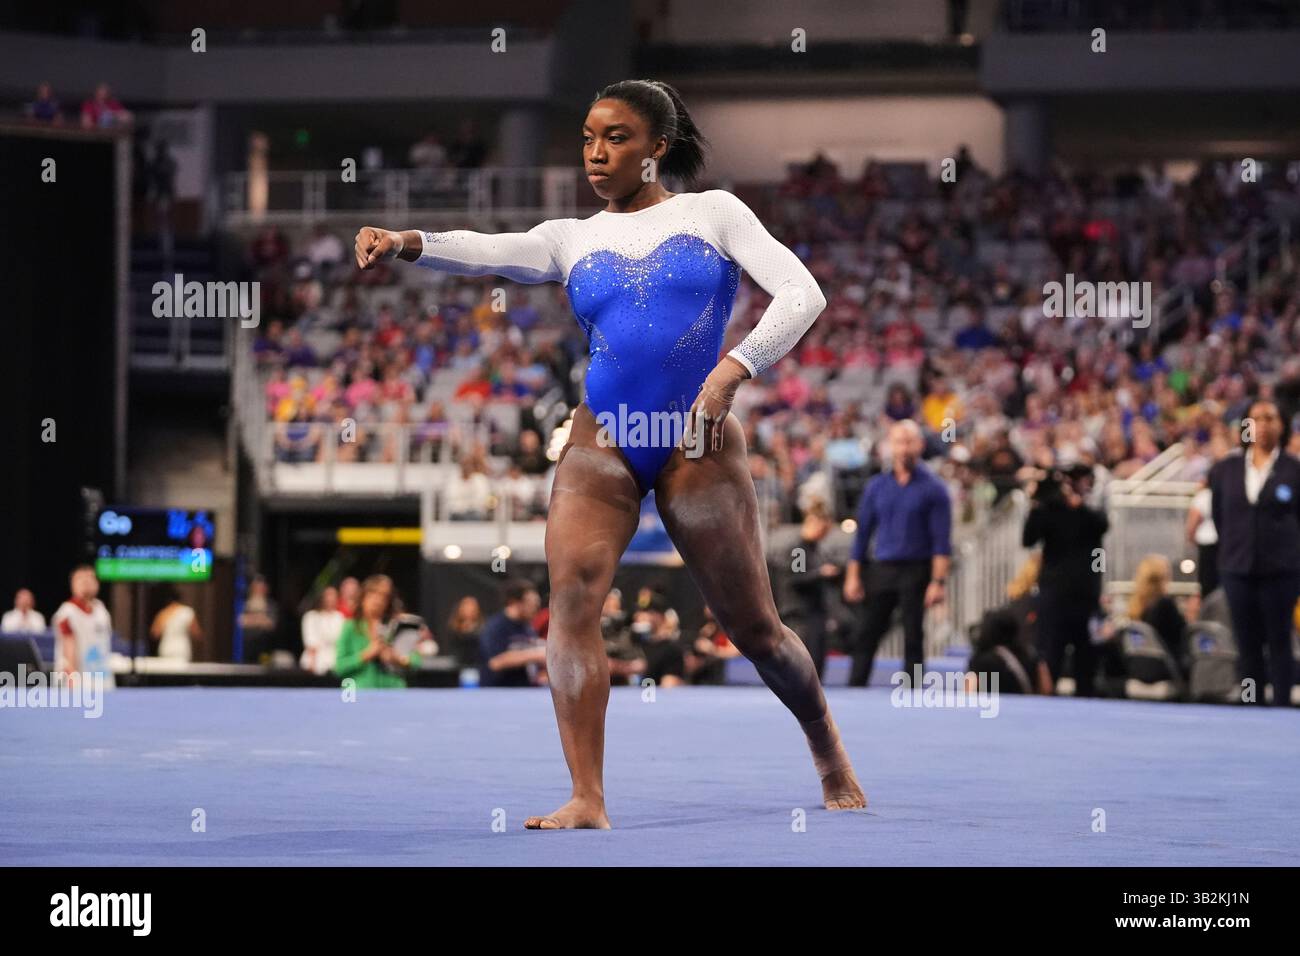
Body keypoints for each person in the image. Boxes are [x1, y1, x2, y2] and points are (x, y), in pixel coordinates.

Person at [355, 78, 863, 827]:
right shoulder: (571, 236)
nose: (596, 153)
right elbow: (491, 250)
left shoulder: (713, 213)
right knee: (571, 602)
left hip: (694, 438)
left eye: (616, 138)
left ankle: (827, 749)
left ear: (658, 147)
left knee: (755, 628)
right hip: (603, 439)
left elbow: (802, 293)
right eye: (589, 138)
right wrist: (408, 242)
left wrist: (734, 369)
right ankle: (586, 795)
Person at [843, 420, 953, 687]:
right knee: (867, 631)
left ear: (920, 445)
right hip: (882, 568)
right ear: (890, 446)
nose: (904, 448)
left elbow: (941, 541)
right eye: (898, 442)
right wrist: (853, 575)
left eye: (909, 442)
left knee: (913, 635)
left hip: (917, 569)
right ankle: (854, 689)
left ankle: (912, 691)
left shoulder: (935, 488)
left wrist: (938, 582)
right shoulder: (876, 486)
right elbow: (862, 534)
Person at [1209, 398, 1300, 706]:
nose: (1263, 425)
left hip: (1281, 571)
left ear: (1282, 425)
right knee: (1246, 644)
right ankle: (1252, 705)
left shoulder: (1293, 469)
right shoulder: (1226, 469)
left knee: (1279, 641)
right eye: (1256, 418)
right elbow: (1220, 516)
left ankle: (1282, 707)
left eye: (1270, 418)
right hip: (1237, 568)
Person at [1021, 464, 1108, 696]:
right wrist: (1038, 502)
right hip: (1054, 594)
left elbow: (1101, 530)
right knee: (1050, 655)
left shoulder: (1092, 510)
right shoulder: (1050, 508)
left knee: (1086, 661)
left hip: (1085, 595)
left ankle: (1086, 703)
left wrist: (1079, 505)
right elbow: (1028, 539)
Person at [333, 575, 422, 689]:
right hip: (359, 692)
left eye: (384, 596)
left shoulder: (396, 626)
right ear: (363, 597)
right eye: (373, 594)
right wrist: (366, 655)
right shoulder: (350, 627)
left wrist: (397, 658)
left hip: (394, 691)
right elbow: (339, 668)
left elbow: (416, 662)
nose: (378, 601)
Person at [1126, 555, 1189, 680]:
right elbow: (1184, 635)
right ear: (1164, 577)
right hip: (1167, 668)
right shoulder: (1165, 604)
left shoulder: (1137, 608)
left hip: (1141, 669)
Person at [50, 566, 114, 688]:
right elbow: (68, 649)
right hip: (79, 682)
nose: (87, 581)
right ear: (72, 585)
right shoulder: (67, 613)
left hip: (103, 679)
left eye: (91, 578)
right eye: (81, 579)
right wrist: (72, 678)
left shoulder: (102, 610)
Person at [478, 580, 548, 687]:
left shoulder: (527, 627)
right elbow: (495, 663)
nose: (535, 608)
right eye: (531, 603)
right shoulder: (495, 627)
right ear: (514, 602)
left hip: (522, 690)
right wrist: (536, 654)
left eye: (536, 603)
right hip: (498, 691)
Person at [300, 586, 345, 675]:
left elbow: (341, 640)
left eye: (334, 596)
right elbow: (310, 641)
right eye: (328, 595)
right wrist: (312, 662)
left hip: (335, 662)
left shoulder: (339, 617)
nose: (331, 599)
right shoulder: (311, 616)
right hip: (315, 662)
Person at [149, 588, 202, 663]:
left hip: (166, 647)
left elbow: (155, 633)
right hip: (182, 648)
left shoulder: (163, 613)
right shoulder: (187, 612)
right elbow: (196, 633)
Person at [1186, 480, 1219, 598]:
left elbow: (1193, 521)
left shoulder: (1202, 497)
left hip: (1206, 542)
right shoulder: (1224, 493)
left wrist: (1190, 537)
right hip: (1222, 541)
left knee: (1206, 579)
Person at [238, 575, 279, 664]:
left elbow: (270, 623)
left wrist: (250, 619)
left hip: (264, 648)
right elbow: (240, 621)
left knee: (264, 667)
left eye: (262, 588)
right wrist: (260, 618)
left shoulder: (271, 606)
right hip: (245, 649)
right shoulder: (243, 604)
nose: (259, 590)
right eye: (257, 587)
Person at [444, 595, 485, 670]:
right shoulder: (454, 627)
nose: (469, 609)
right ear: (461, 608)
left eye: (472, 606)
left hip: (476, 665)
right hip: (457, 665)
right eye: (466, 606)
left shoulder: (483, 627)